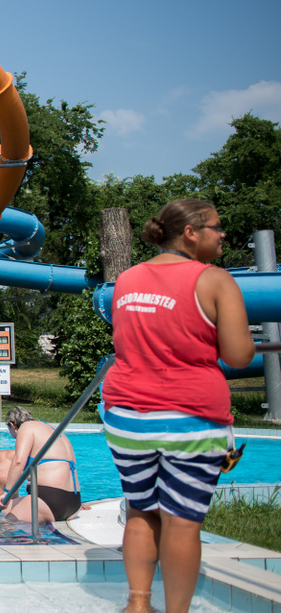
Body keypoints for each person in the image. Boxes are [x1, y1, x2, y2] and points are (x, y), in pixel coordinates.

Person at [101, 199, 254, 613]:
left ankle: (137, 603)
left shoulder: (128, 279)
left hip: (126, 416)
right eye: (216, 227)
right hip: (190, 417)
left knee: (140, 511)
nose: (222, 235)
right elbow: (240, 356)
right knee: (182, 521)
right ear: (190, 232)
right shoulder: (215, 280)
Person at [0, 406, 82, 523]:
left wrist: (6, 494)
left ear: (12, 425)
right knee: (4, 510)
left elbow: (18, 461)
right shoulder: (52, 429)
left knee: (1, 525)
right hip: (74, 504)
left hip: (50, 501)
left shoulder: (26, 428)